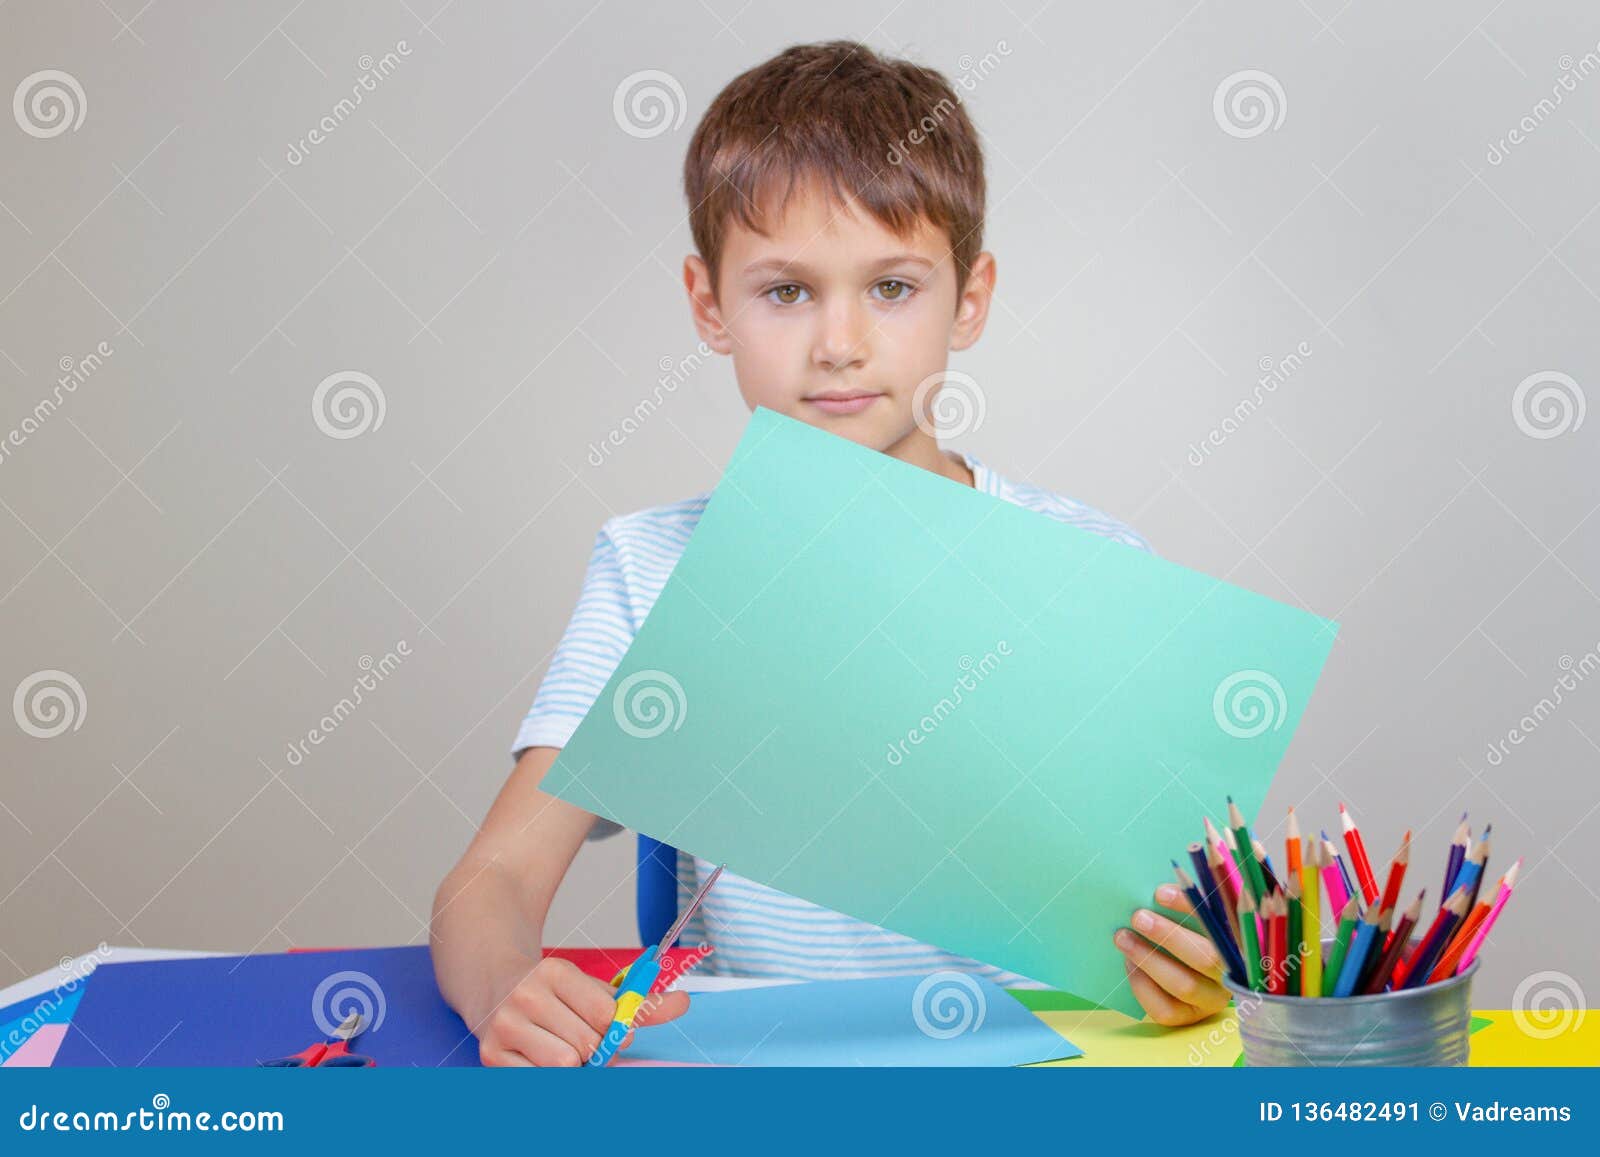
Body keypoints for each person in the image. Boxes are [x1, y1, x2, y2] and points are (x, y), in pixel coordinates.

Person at [431, 40, 1228, 1068]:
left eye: (892, 287)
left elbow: (1186, 922)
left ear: (968, 299)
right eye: (786, 291)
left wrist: (1197, 965)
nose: (839, 342)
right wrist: (506, 987)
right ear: (708, 303)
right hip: (751, 1089)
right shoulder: (656, 571)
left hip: (1028, 1087)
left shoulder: (1089, 567)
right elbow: (485, 885)